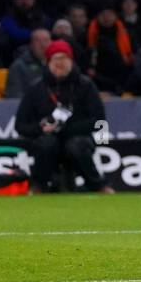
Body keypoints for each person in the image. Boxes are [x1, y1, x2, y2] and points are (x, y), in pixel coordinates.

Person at [14, 39, 114, 193]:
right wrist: (41, 128)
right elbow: (20, 125)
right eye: (56, 58)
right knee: (47, 143)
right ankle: (37, 187)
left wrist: (67, 129)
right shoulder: (36, 89)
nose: (60, 63)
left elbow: (99, 120)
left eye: (64, 58)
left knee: (76, 145)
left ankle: (98, 186)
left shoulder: (85, 85)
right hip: (46, 139)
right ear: (48, 62)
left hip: (78, 138)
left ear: (72, 61)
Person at [5, 28, 51, 99]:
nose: (43, 45)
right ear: (31, 45)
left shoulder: (58, 65)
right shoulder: (18, 66)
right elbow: (14, 95)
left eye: (46, 40)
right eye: (38, 41)